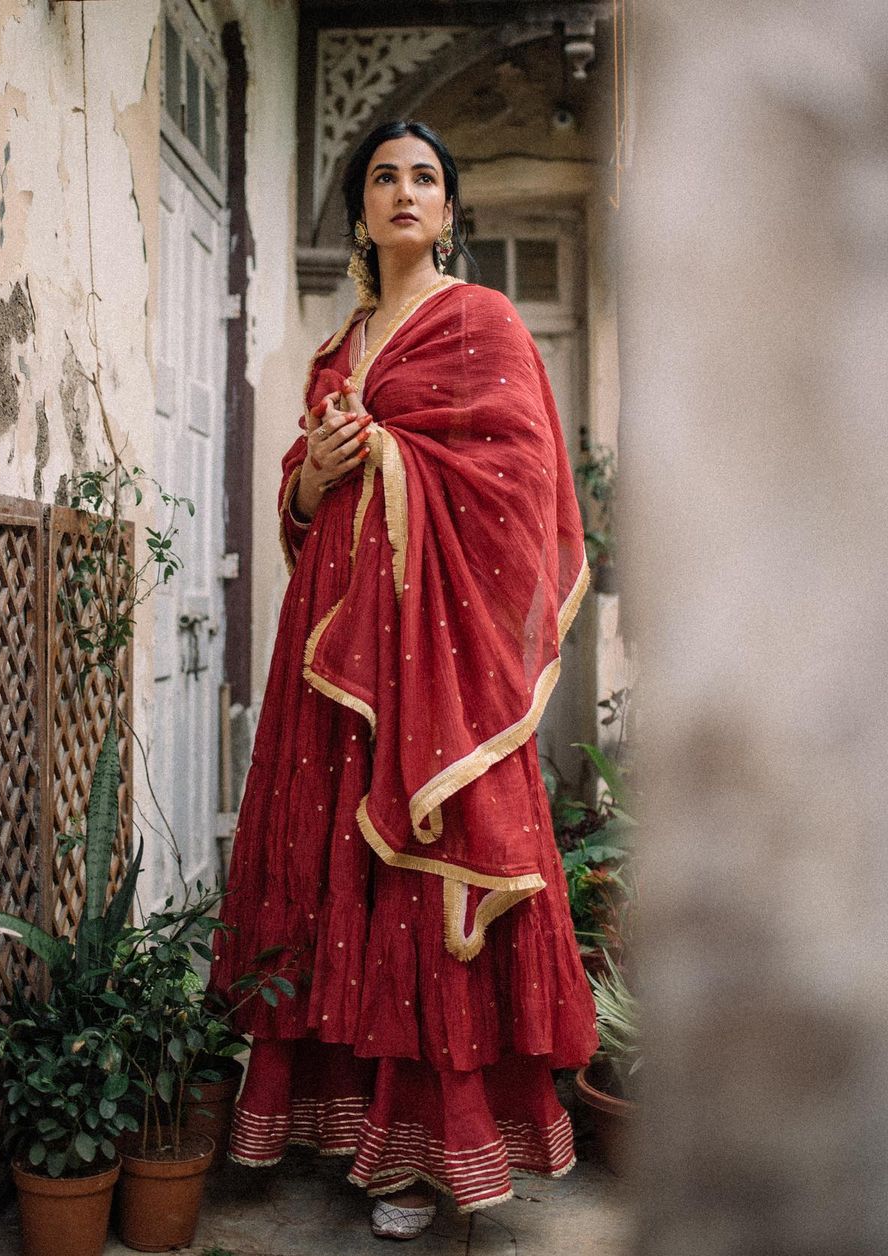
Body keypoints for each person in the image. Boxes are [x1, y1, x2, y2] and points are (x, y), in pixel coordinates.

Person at [209, 119, 598, 1241]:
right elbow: (302, 485)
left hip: (433, 657)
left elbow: (522, 481)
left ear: (449, 207)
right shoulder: (341, 345)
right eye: (384, 177)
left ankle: (431, 1147)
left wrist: (383, 454)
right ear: (361, 208)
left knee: (427, 870)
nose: (404, 192)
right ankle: (354, 1130)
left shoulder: (482, 321)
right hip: (333, 657)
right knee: (336, 865)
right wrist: (306, 478)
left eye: (424, 177)